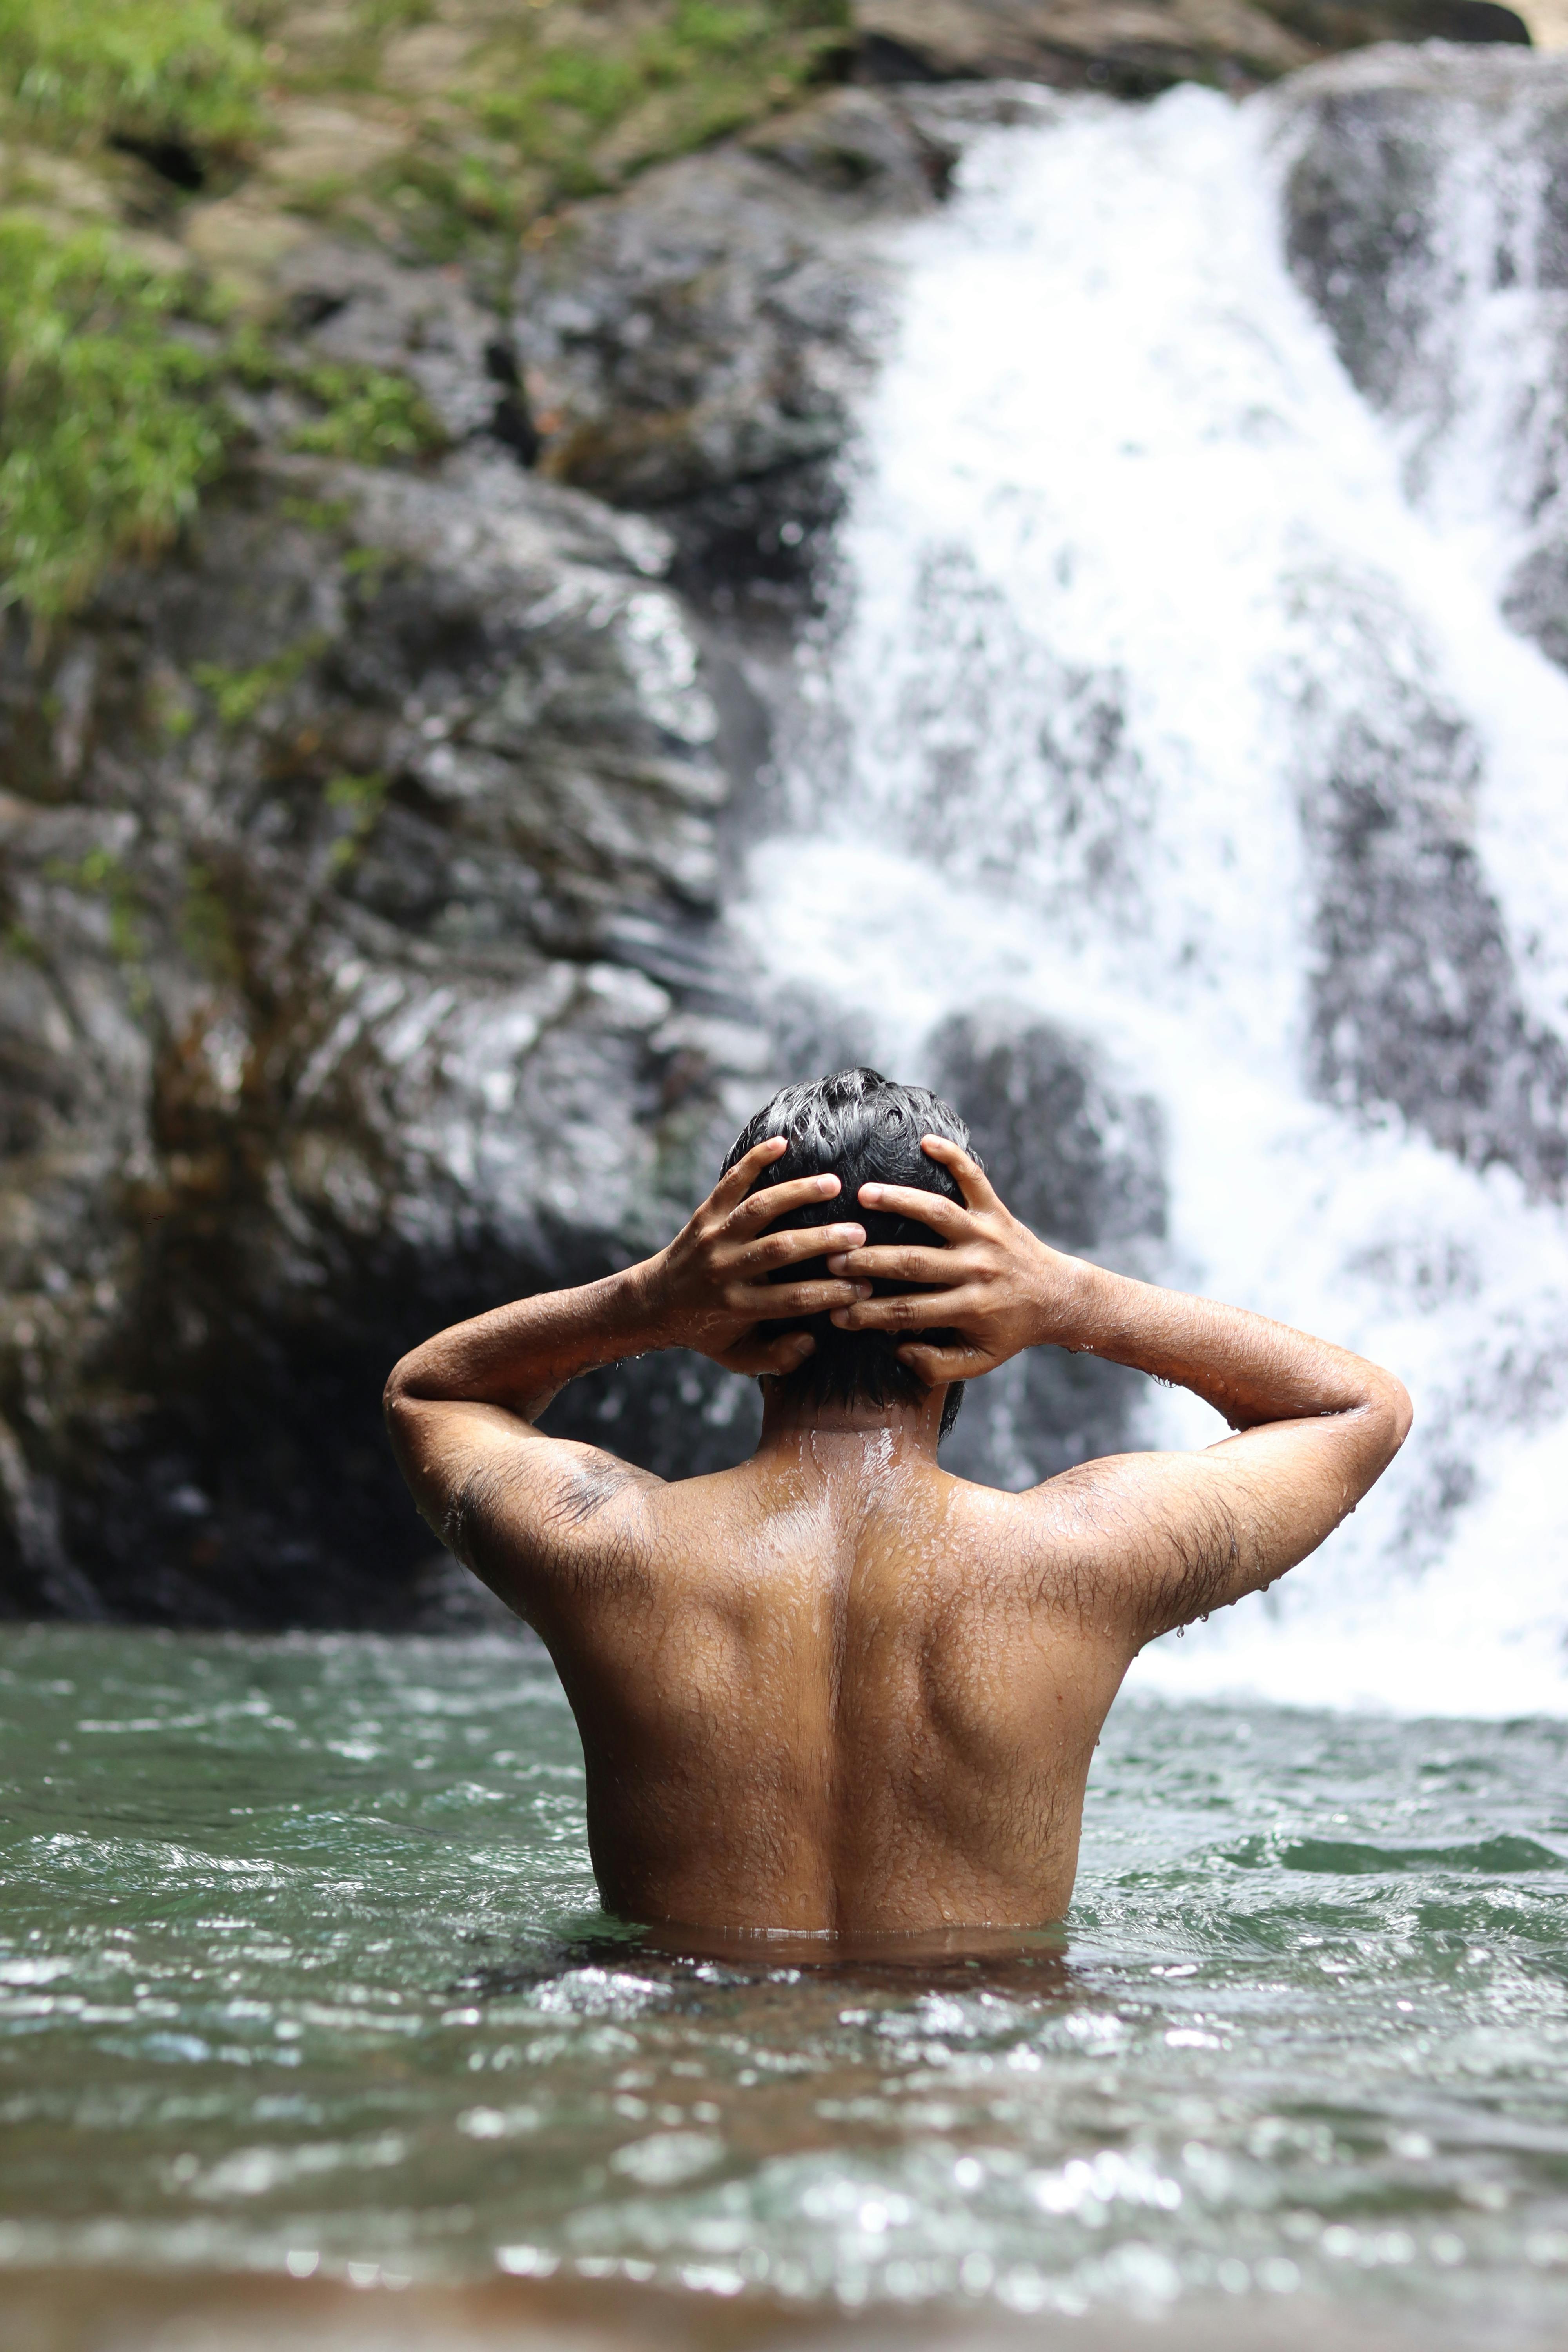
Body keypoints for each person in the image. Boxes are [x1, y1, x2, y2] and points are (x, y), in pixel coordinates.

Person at [384, 1067, 1410, 1939]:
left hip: (687, 2079)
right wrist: (1069, 1298)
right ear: (977, 1301)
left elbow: (430, 1392)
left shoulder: (607, 1545)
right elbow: (1358, 1408)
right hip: (975, 2099)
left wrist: (651, 1299)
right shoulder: (1087, 1557)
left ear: (729, 1292)